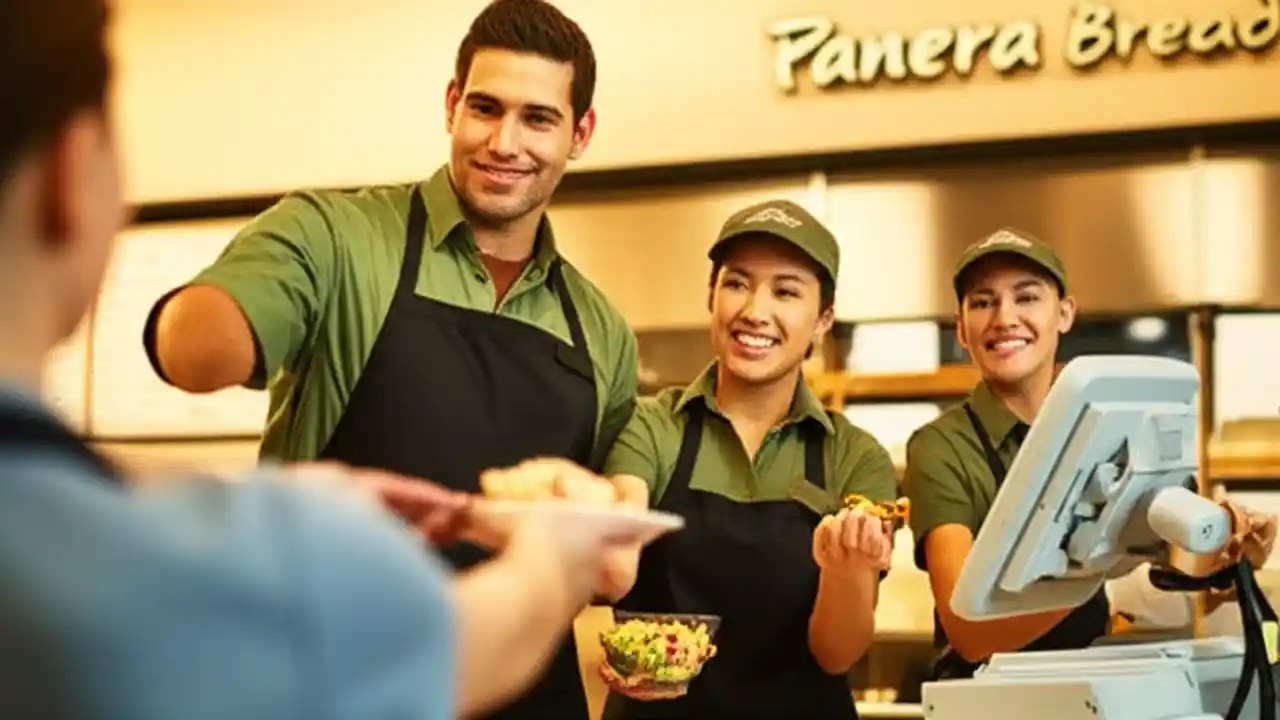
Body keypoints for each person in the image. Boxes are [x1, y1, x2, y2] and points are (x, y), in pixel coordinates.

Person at [0, 1, 664, 718]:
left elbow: (611, 540)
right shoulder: (331, 235)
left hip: (538, 693)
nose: (505, 141)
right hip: (347, 678)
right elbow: (190, 352)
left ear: (580, 133)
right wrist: (203, 325)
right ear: (451, 105)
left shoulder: (601, 329)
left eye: (537, 119)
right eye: (484, 108)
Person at [902, 227, 1278, 681]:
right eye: (983, 302)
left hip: (1092, 685)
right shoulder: (941, 447)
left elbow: (1179, 576)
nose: (1004, 318)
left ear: (1064, 313)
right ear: (961, 329)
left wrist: (1227, 553)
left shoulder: (1122, 423)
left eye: (1026, 298)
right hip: (987, 697)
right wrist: (1099, 566)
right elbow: (969, 631)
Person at [598, 200, 898, 719]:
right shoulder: (653, 425)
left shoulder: (852, 455)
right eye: (737, 283)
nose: (755, 311)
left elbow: (838, 653)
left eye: (786, 291)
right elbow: (614, 561)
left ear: (823, 319)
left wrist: (847, 568)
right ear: (710, 296)